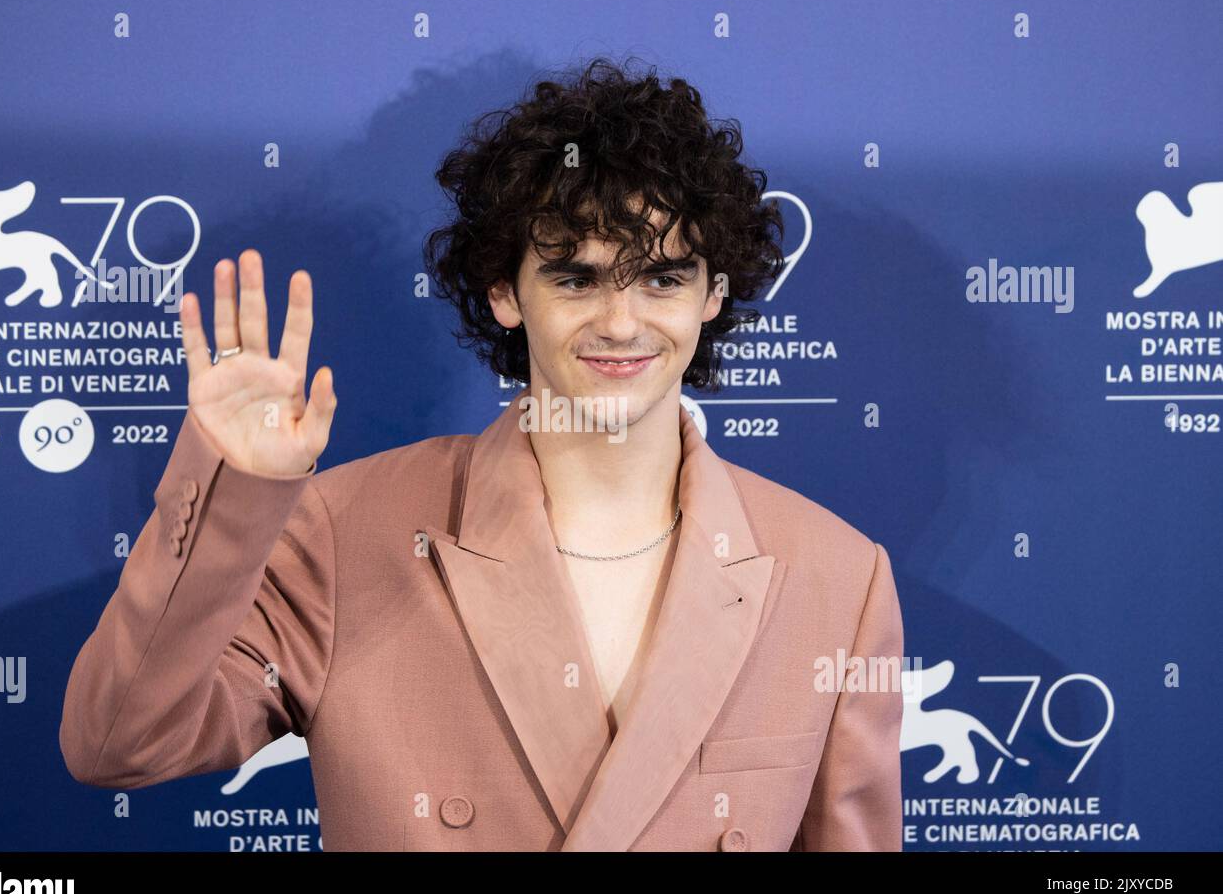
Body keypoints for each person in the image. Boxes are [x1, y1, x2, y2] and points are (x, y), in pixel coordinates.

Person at [60, 57, 905, 851]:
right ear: (506, 292)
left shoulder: (834, 576)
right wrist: (233, 494)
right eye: (576, 277)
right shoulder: (344, 533)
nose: (620, 321)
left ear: (714, 294)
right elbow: (118, 743)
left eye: (662, 278)